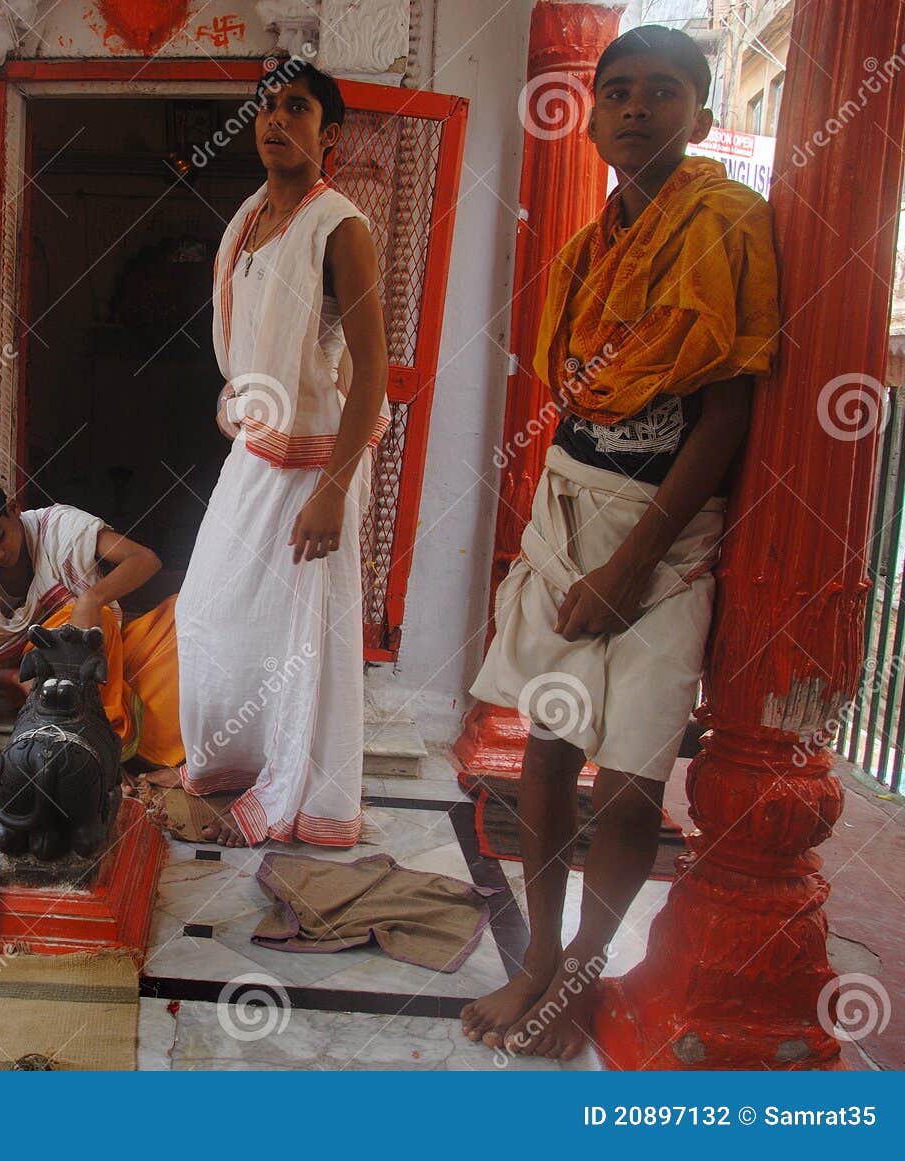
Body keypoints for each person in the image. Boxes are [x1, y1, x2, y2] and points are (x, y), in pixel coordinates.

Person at [462, 26, 780, 1060]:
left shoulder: (726, 222)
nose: (638, 109)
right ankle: (539, 962)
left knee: (635, 773)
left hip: (666, 534)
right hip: (572, 508)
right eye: (620, 93)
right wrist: (565, 541)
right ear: (590, 115)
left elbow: (728, 415)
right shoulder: (585, 249)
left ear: (697, 112)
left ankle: (584, 977)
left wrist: (629, 564)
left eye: (664, 93)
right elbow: (576, 406)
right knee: (547, 752)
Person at [175, 57, 391, 848]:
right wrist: (235, 389)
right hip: (257, 450)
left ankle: (302, 790)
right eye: (265, 107)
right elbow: (248, 338)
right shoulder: (249, 217)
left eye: (295, 108)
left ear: (327, 134)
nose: (274, 120)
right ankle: (237, 761)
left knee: (306, 632)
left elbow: (371, 366)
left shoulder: (341, 226)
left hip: (316, 461)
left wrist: (335, 488)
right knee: (209, 611)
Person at [0, 469, 184, 769]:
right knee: (65, 631)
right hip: (41, 691)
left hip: (104, 665)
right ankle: (91, 742)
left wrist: (90, 599)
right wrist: (11, 678)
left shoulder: (56, 527)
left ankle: (105, 737)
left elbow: (145, 560)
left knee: (179, 619)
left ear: (13, 508)